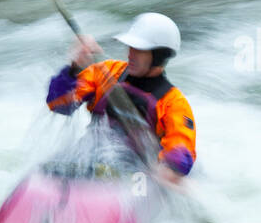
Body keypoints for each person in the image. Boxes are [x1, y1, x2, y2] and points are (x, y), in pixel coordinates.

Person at [45, 13, 196, 182]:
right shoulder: (106, 72)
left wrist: (170, 168)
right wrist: (74, 68)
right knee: (48, 168)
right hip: (88, 156)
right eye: (130, 47)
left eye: (139, 50)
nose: (130, 54)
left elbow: (180, 151)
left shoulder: (174, 103)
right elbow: (58, 104)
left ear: (159, 55)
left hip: (134, 173)